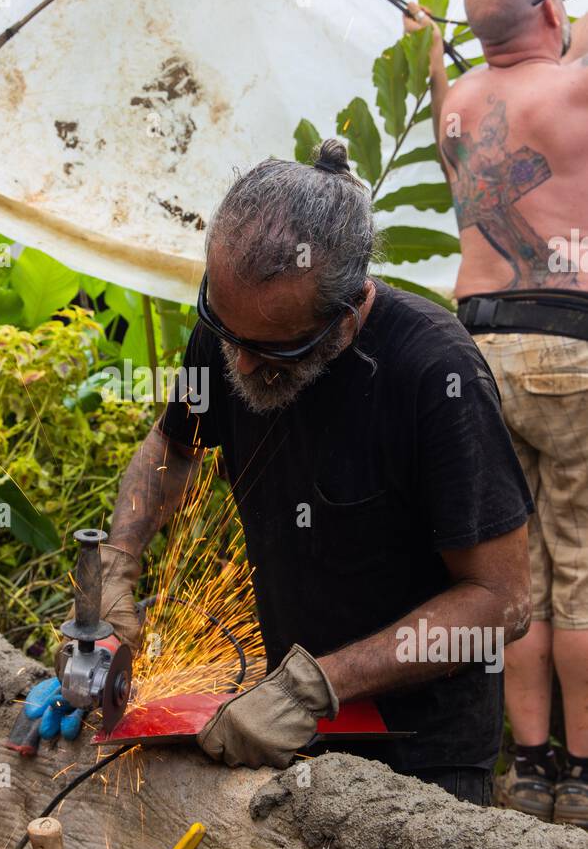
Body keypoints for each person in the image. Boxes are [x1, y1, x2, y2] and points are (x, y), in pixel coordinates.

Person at [98, 144, 532, 803]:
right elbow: (174, 447)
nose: (238, 365)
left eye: (272, 351)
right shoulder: (233, 329)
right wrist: (117, 567)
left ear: (348, 311)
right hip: (288, 728)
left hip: (420, 752)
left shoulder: (434, 374)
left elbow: (503, 600)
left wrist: (316, 685)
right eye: (226, 332)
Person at [405, 0, 588, 827]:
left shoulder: (455, 104)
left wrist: (438, 49)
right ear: (551, 12)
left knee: (516, 571)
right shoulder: (573, 91)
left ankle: (531, 768)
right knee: (580, 570)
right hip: (568, 348)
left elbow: (464, 75)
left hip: (476, 353)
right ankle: (583, 777)